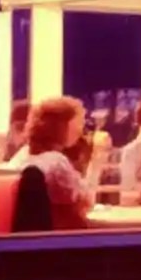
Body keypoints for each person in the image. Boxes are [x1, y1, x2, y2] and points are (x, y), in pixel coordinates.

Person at [19, 96, 93, 229]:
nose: (81, 130)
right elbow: (86, 203)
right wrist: (96, 160)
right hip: (61, 240)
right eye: (79, 123)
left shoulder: (21, 155)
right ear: (62, 125)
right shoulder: (57, 162)